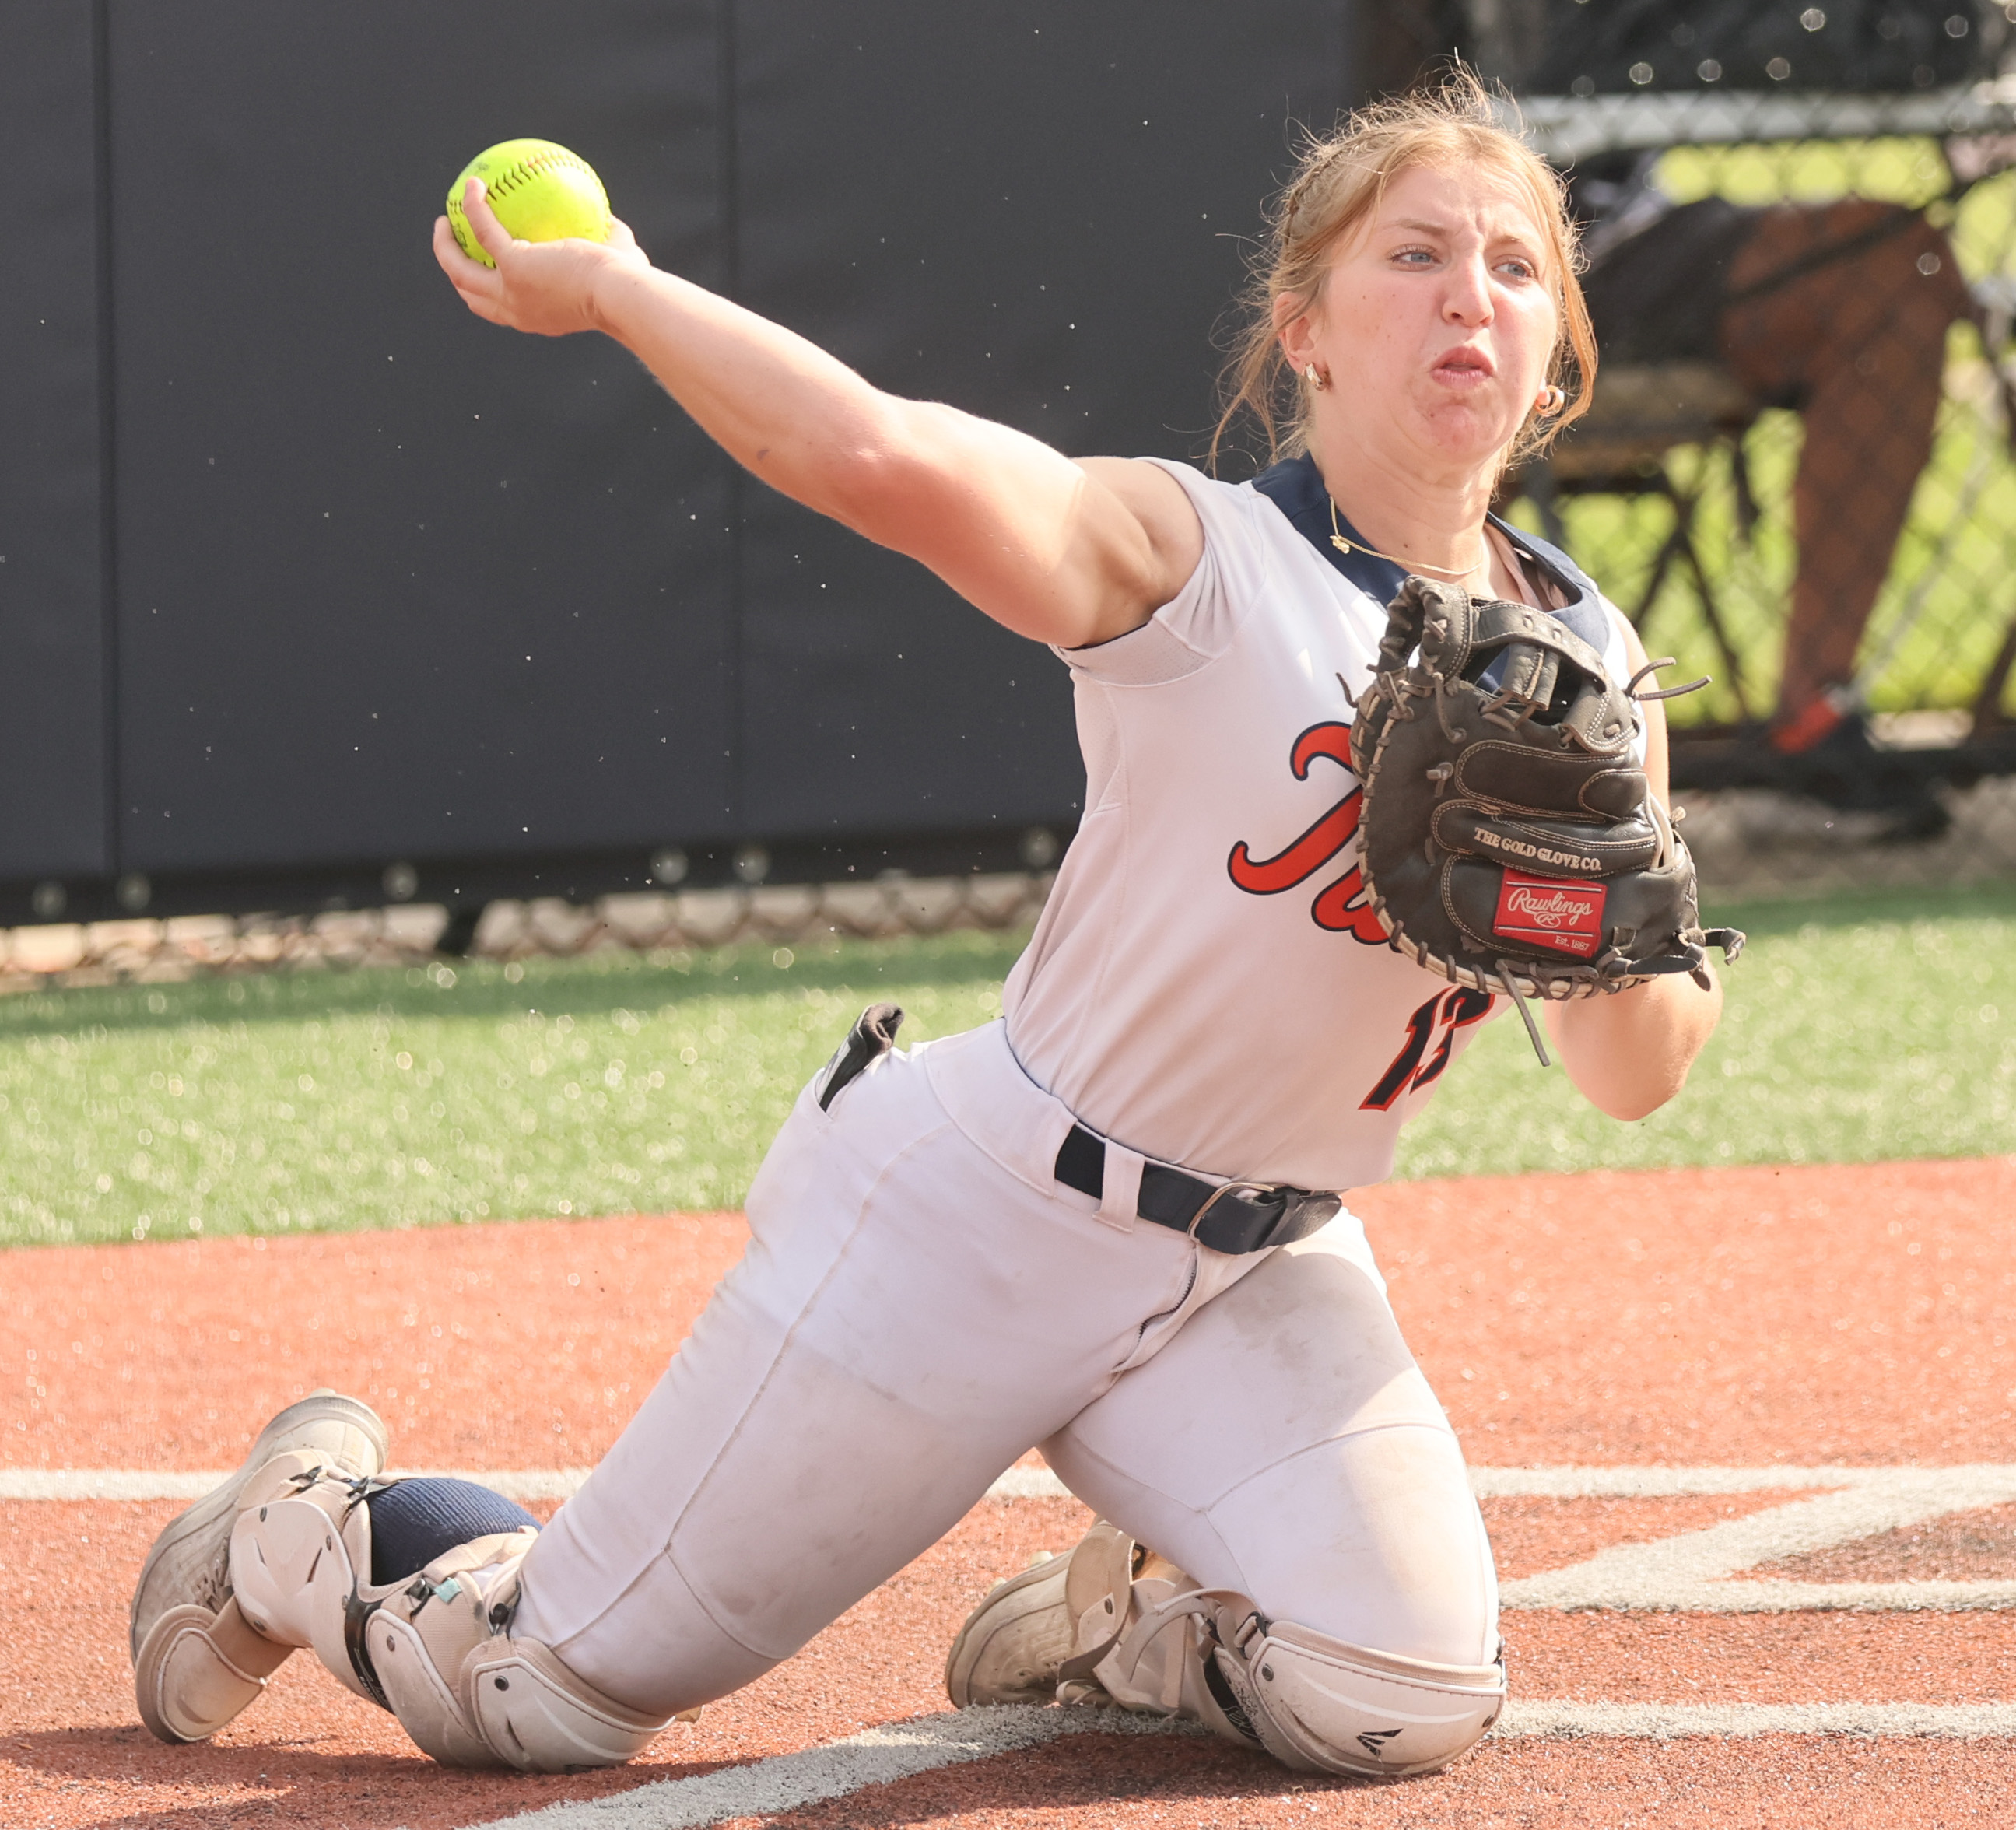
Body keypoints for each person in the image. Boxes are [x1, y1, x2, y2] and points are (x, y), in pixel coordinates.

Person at [128, 78, 1723, 1783]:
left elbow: (1632, 1074)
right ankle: (302, 1519)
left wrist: (1615, 903)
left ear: (1555, 354)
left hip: (1257, 1267)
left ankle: (1124, 1621)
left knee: (1400, 1690)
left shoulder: (1589, 667)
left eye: (1512, 266)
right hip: (981, 1224)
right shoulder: (1194, 559)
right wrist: (616, 288)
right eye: (1412, 255)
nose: (1467, 293)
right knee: (533, 1695)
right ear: (1305, 330)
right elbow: (872, 454)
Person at [1569, 152, 1981, 771]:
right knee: (1891, 262)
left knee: (1901, 258)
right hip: (1521, 246)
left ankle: (1813, 719)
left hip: (1641, 226)